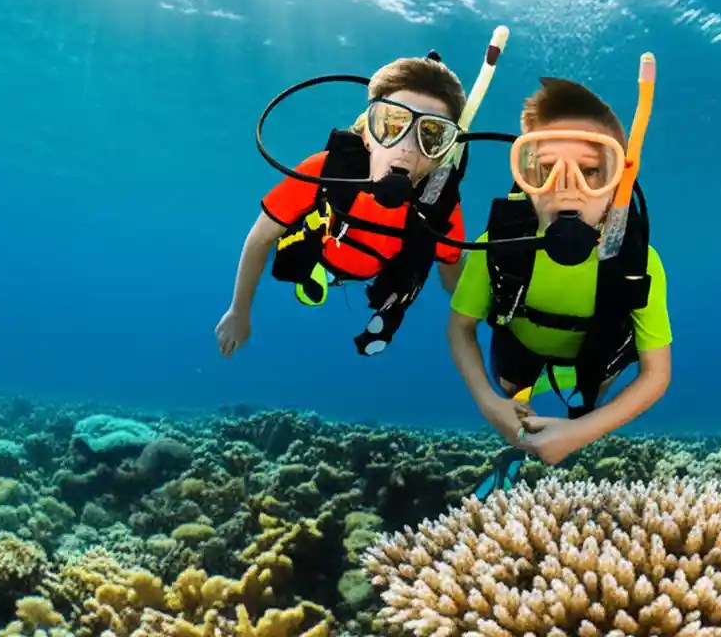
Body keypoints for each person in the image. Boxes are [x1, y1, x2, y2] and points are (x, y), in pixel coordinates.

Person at [446, 55, 672, 484]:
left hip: (597, 355)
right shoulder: (497, 245)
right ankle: (516, 451)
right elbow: (460, 328)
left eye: (591, 172)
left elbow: (656, 372)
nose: (567, 188)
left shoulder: (640, 262)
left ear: (619, 180)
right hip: (520, 353)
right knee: (514, 393)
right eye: (546, 171)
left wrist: (583, 432)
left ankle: (576, 416)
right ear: (524, 175)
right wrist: (488, 401)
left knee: (590, 396)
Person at [215, 53, 475, 359]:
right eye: (391, 124)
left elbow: (452, 276)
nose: (405, 148)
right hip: (322, 245)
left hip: (384, 266)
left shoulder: (440, 204)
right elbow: (261, 237)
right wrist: (238, 310)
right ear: (367, 134)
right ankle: (320, 273)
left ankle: (390, 307)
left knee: (416, 263)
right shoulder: (324, 170)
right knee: (295, 251)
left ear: (442, 153)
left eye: (431, 136)